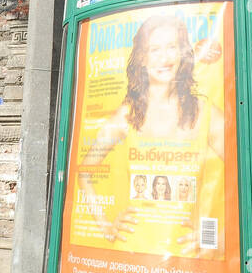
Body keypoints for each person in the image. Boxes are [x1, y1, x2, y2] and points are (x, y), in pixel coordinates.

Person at [75, 13, 225, 257]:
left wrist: (216, 236)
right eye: (155, 49)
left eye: (171, 47)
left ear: (182, 54)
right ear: (142, 58)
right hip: (131, 254)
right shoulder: (126, 115)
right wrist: (107, 225)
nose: (164, 58)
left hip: (186, 260)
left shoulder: (205, 114)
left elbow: (244, 179)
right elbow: (84, 173)